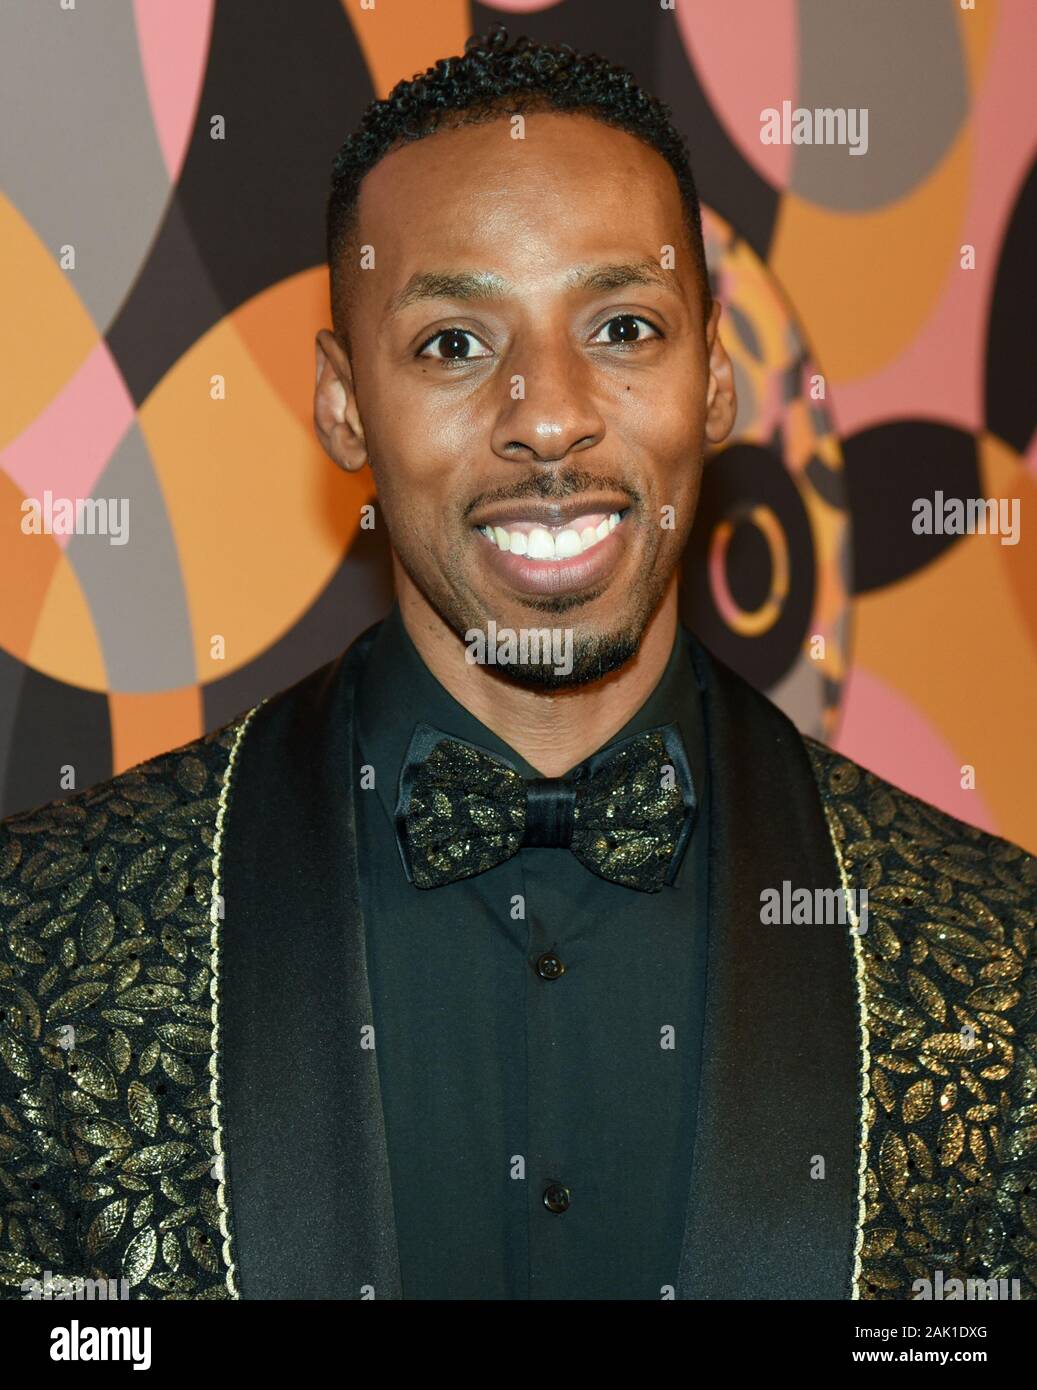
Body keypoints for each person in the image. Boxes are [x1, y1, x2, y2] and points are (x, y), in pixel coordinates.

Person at [1, 24, 1033, 1303]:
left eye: (621, 326)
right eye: (452, 344)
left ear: (713, 378)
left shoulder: (997, 962)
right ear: (340, 406)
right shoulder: (39, 944)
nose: (547, 414)